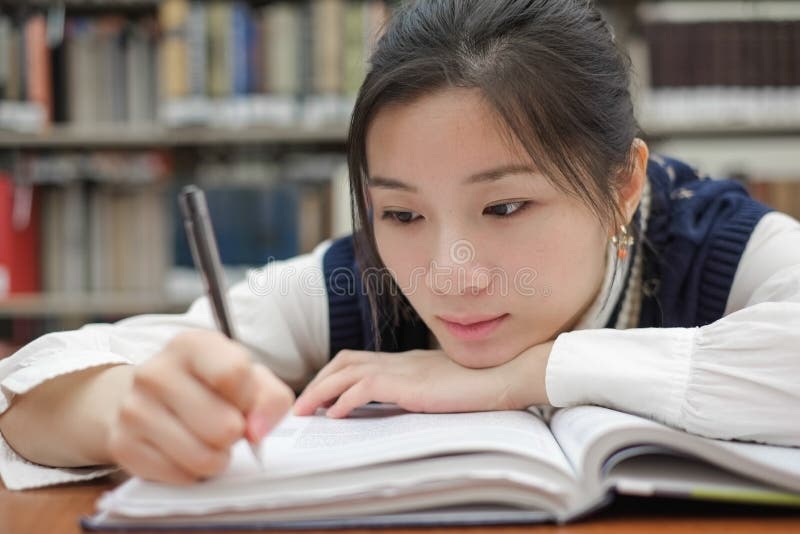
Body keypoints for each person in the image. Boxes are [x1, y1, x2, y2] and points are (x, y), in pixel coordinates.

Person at [1, 0, 799, 490]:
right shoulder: (356, 281)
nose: (450, 277)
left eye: (506, 205)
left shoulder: (709, 237)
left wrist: (527, 374)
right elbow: (31, 389)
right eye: (404, 216)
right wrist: (123, 413)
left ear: (624, 185)